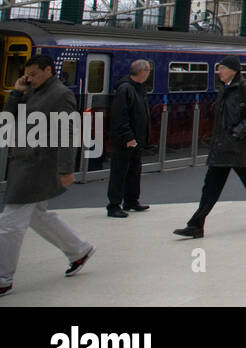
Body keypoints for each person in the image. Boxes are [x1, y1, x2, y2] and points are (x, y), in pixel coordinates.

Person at [0, 54, 95, 296]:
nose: (29, 78)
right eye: (27, 74)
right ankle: (79, 250)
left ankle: (3, 278)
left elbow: (68, 133)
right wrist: (17, 92)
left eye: (33, 74)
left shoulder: (61, 95)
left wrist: (66, 169)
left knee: (10, 223)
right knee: (37, 216)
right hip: (24, 161)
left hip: (38, 166)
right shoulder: (31, 91)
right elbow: (9, 118)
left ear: (49, 70)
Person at [174, 55, 246, 238]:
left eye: (221, 68)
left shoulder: (245, 88)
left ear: (232, 70)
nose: (218, 71)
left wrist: (237, 133)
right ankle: (197, 224)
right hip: (222, 146)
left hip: (236, 146)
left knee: (243, 184)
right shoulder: (225, 89)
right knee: (214, 186)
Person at [106, 59, 152, 217]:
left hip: (136, 139)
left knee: (134, 170)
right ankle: (113, 205)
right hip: (125, 140)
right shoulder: (125, 89)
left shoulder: (139, 88)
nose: (148, 74)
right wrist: (128, 137)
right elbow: (120, 116)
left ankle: (131, 201)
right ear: (142, 72)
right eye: (148, 71)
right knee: (119, 171)